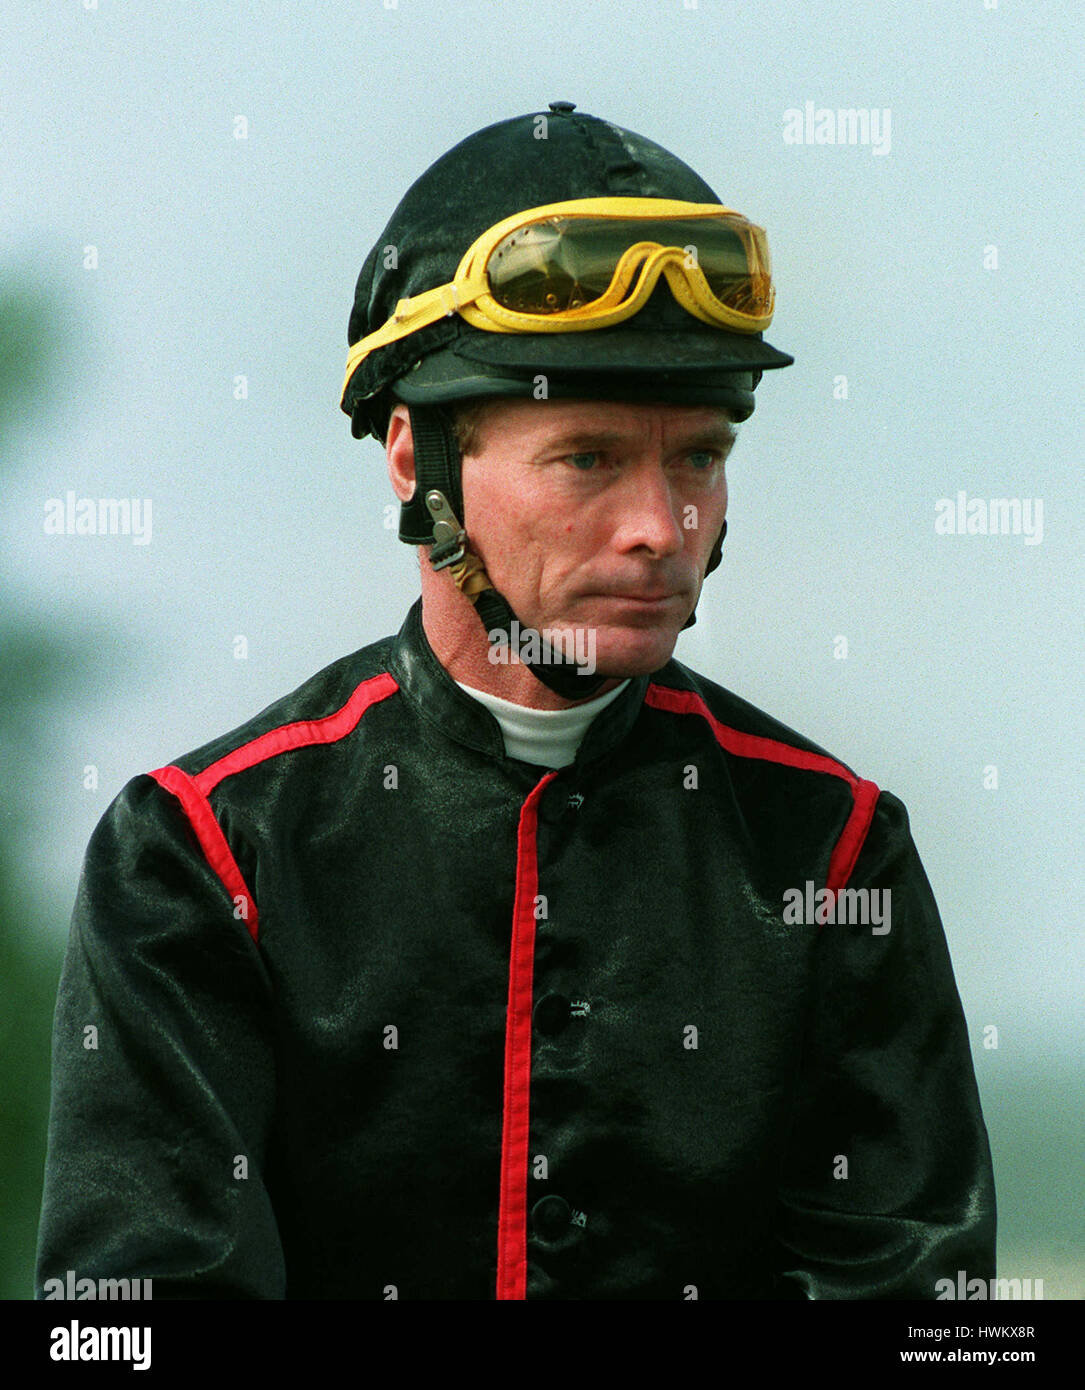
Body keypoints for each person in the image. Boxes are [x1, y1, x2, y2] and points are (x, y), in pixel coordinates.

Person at [36, 102, 996, 1300]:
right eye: (588, 457)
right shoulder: (200, 851)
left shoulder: (834, 846)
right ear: (414, 461)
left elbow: (921, 1305)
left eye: (697, 456)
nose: (659, 527)